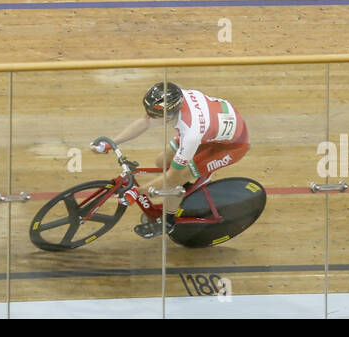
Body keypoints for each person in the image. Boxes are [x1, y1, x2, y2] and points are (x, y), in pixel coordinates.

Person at [90, 82, 249, 238]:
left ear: (169, 116)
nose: (150, 117)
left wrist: (138, 192)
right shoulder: (174, 98)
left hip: (231, 146)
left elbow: (173, 177)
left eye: (156, 116)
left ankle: (168, 221)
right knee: (162, 161)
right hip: (211, 131)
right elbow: (145, 121)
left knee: (176, 180)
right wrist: (112, 143)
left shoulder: (191, 133)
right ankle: (185, 193)